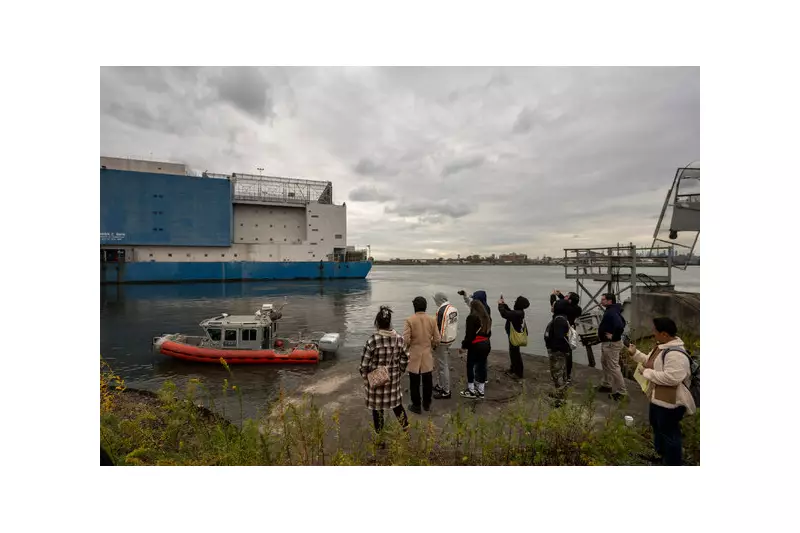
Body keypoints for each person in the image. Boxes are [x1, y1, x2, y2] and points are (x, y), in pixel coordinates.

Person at [626, 317, 696, 465]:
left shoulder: (676, 354)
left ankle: (672, 463)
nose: (653, 333)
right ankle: (662, 456)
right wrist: (635, 353)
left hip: (671, 403)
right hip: (658, 398)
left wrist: (647, 373)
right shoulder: (662, 347)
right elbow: (650, 362)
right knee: (658, 428)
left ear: (664, 334)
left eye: (655, 330)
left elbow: (673, 378)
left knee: (669, 434)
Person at [359, 306, 410, 434]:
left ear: (377, 323)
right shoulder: (399, 339)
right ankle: (406, 430)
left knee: (377, 409)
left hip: (376, 382)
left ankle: (380, 438)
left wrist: (367, 379)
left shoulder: (372, 340)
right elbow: (405, 358)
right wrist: (399, 371)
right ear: (390, 322)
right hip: (393, 380)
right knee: (397, 406)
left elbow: (364, 366)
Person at [403, 296, 441, 414]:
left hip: (414, 354)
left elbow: (406, 340)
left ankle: (416, 405)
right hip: (427, 353)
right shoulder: (432, 320)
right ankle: (426, 404)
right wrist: (431, 346)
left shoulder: (409, 320)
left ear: (414, 306)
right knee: (427, 381)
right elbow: (437, 339)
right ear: (425, 306)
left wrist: (409, 347)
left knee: (414, 382)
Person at [596, 293, 628, 400]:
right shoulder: (612, 310)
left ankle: (622, 392)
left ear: (610, 301)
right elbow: (623, 322)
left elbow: (620, 325)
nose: (601, 301)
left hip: (611, 344)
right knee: (605, 362)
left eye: (603, 299)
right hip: (607, 343)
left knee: (614, 367)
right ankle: (607, 384)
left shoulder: (611, 312)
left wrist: (614, 336)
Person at [459, 299, 492, 399]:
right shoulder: (487, 318)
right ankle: (481, 391)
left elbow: (469, 335)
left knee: (470, 366)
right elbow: (489, 333)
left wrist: (463, 346)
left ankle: (471, 390)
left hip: (476, 345)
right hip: (486, 344)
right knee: (481, 366)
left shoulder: (471, 317)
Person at [549, 290, 582, 384]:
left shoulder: (564, 309)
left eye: (567, 296)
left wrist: (553, 296)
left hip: (562, 331)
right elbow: (566, 302)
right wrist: (560, 295)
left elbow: (554, 305)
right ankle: (568, 376)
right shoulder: (577, 309)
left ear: (570, 301)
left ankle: (561, 377)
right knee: (568, 353)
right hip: (570, 331)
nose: (565, 297)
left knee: (560, 353)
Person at [432, 292, 458, 400]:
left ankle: (446, 391)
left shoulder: (441, 311)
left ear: (439, 300)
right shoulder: (453, 309)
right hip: (451, 338)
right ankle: (440, 385)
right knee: (442, 364)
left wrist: (434, 342)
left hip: (443, 341)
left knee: (443, 365)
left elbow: (440, 329)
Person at [544, 300, 572, 400]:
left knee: (557, 372)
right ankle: (561, 393)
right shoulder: (561, 317)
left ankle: (560, 397)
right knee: (561, 372)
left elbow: (559, 337)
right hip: (560, 350)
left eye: (553, 305)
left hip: (557, 351)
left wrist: (554, 349)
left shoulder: (559, 319)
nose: (552, 306)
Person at [498, 295, 530, 379]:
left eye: (516, 301)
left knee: (515, 354)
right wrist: (504, 305)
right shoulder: (519, 312)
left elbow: (504, 314)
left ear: (519, 303)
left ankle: (518, 373)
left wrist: (500, 305)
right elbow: (509, 313)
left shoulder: (518, 313)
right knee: (513, 353)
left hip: (515, 336)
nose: (515, 302)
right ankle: (513, 369)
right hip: (514, 335)